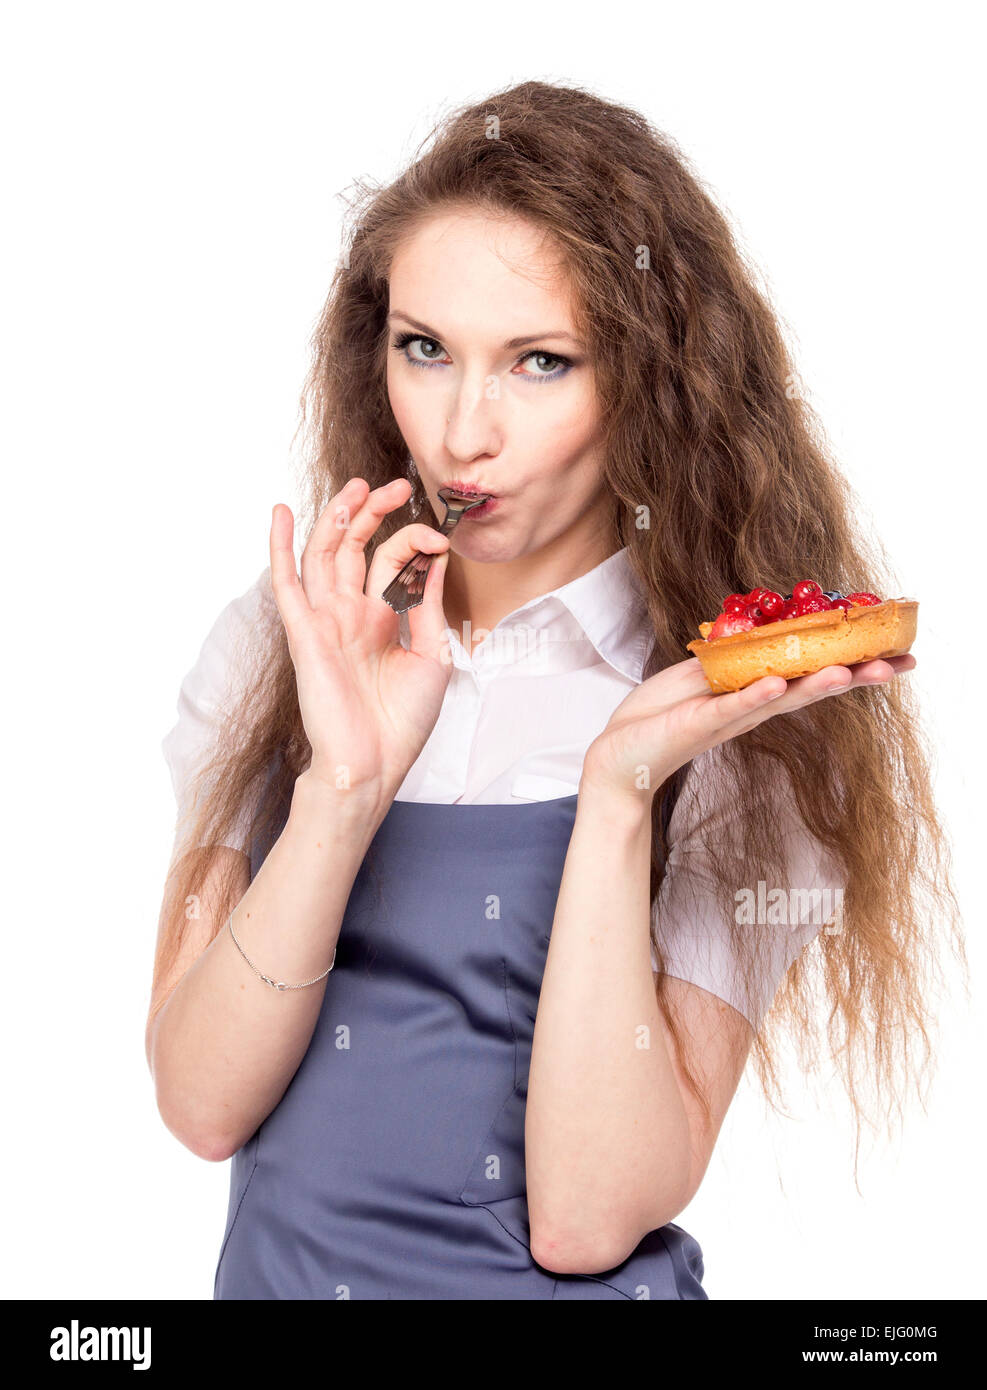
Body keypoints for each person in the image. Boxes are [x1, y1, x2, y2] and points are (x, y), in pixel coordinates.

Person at [147, 80, 964, 1300]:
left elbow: (584, 1217)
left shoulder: (733, 715)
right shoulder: (287, 643)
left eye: (539, 363)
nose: (462, 433)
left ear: (650, 380)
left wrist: (620, 787)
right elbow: (201, 1103)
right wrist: (345, 782)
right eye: (425, 348)